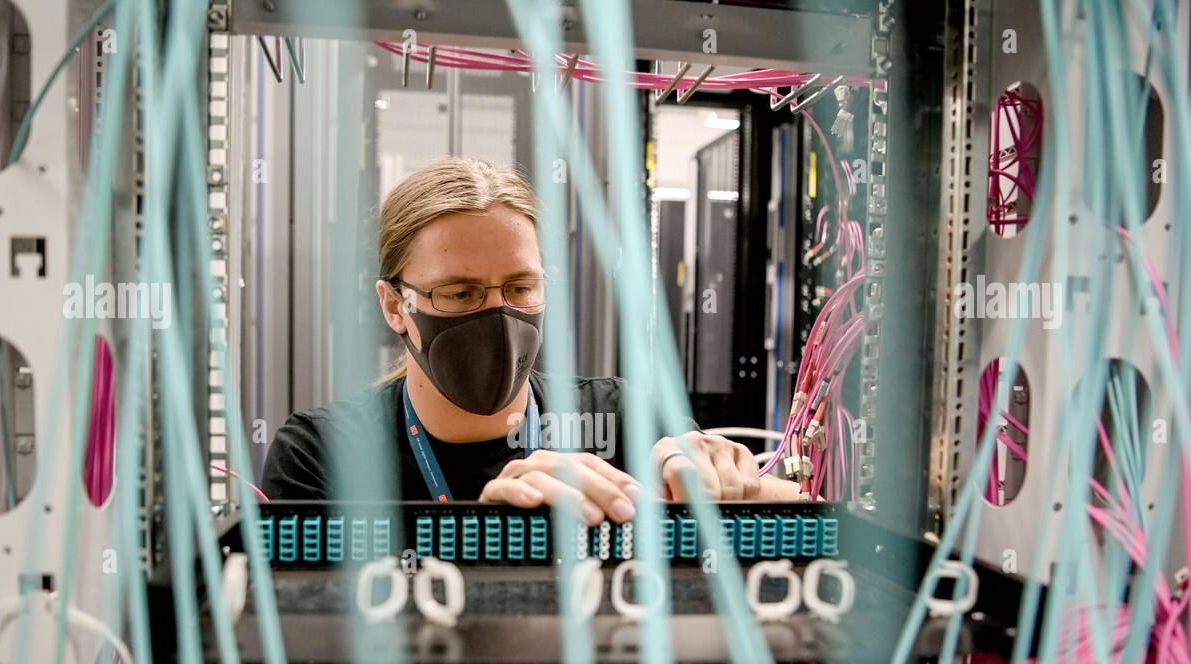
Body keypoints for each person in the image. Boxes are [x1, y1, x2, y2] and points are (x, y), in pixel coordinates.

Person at [261, 157, 800, 521]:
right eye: (460, 293)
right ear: (394, 306)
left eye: (521, 287)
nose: (498, 315)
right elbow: (307, 652)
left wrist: (717, 476)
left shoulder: (620, 416)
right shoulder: (320, 454)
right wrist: (492, 544)